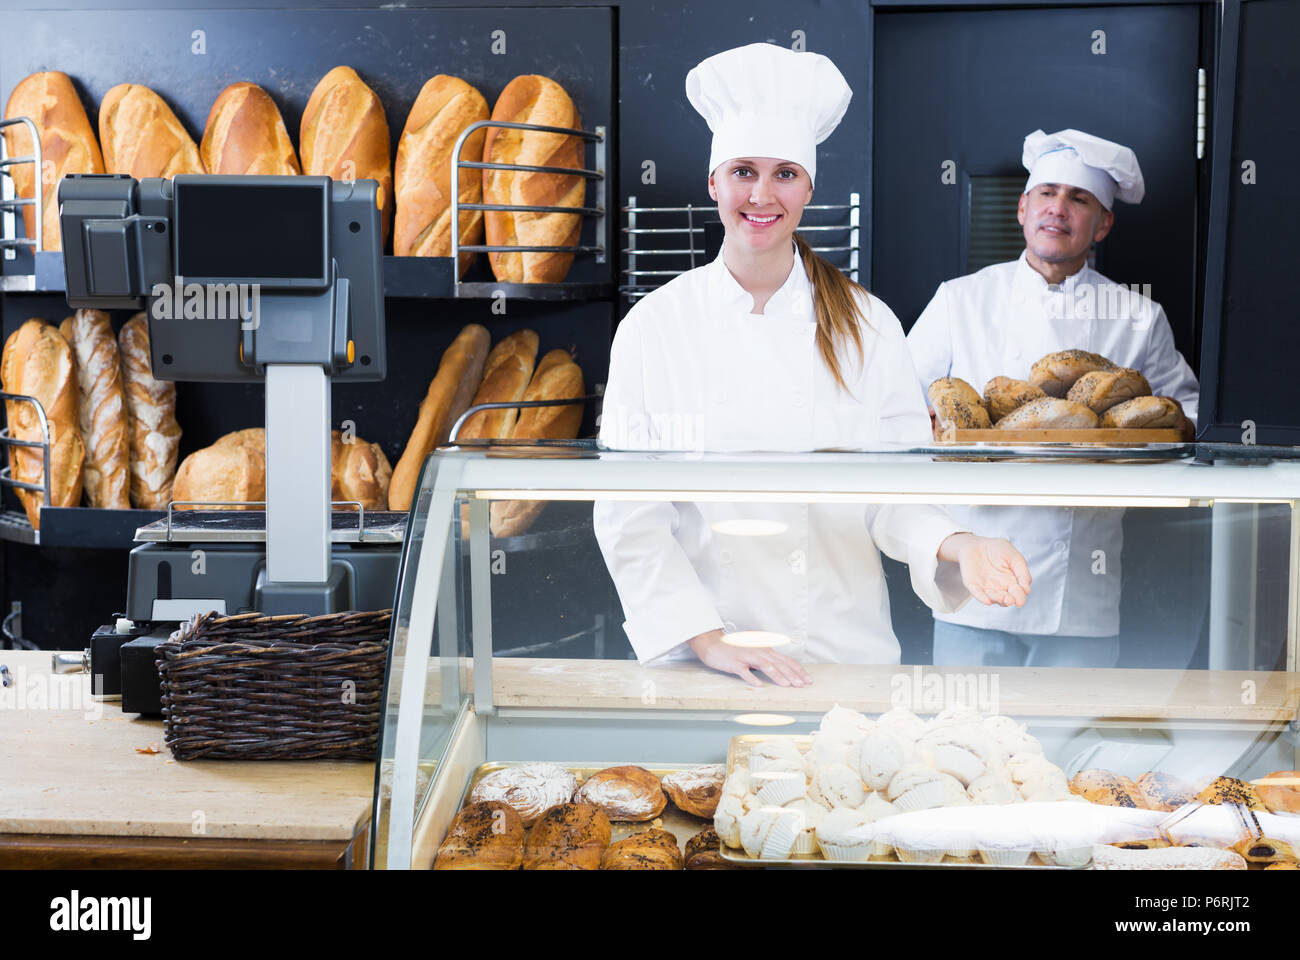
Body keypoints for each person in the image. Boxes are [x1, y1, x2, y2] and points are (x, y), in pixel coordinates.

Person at [593, 43, 1032, 688]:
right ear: (713, 181)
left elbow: (896, 494)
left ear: (810, 187)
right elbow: (629, 512)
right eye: (743, 170)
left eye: (785, 174)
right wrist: (708, 639)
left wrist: (957, 545)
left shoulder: (869, 324)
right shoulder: (655, 329)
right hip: (706, 663)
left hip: (844, 657)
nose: (762, 194)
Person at [906, 129, 1199, 668]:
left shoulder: (1139, 315)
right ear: (1022, 208)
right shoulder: (960, 300)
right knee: (964, 743)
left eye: (1079, 199)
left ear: (1103, 223)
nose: (1058, 209)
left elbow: (1186, 418)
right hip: (975, 585)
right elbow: (894, 404)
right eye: (1046, 194)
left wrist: (1156, 439)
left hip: (1080, 592)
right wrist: (924, 424)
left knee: (1070, 748)